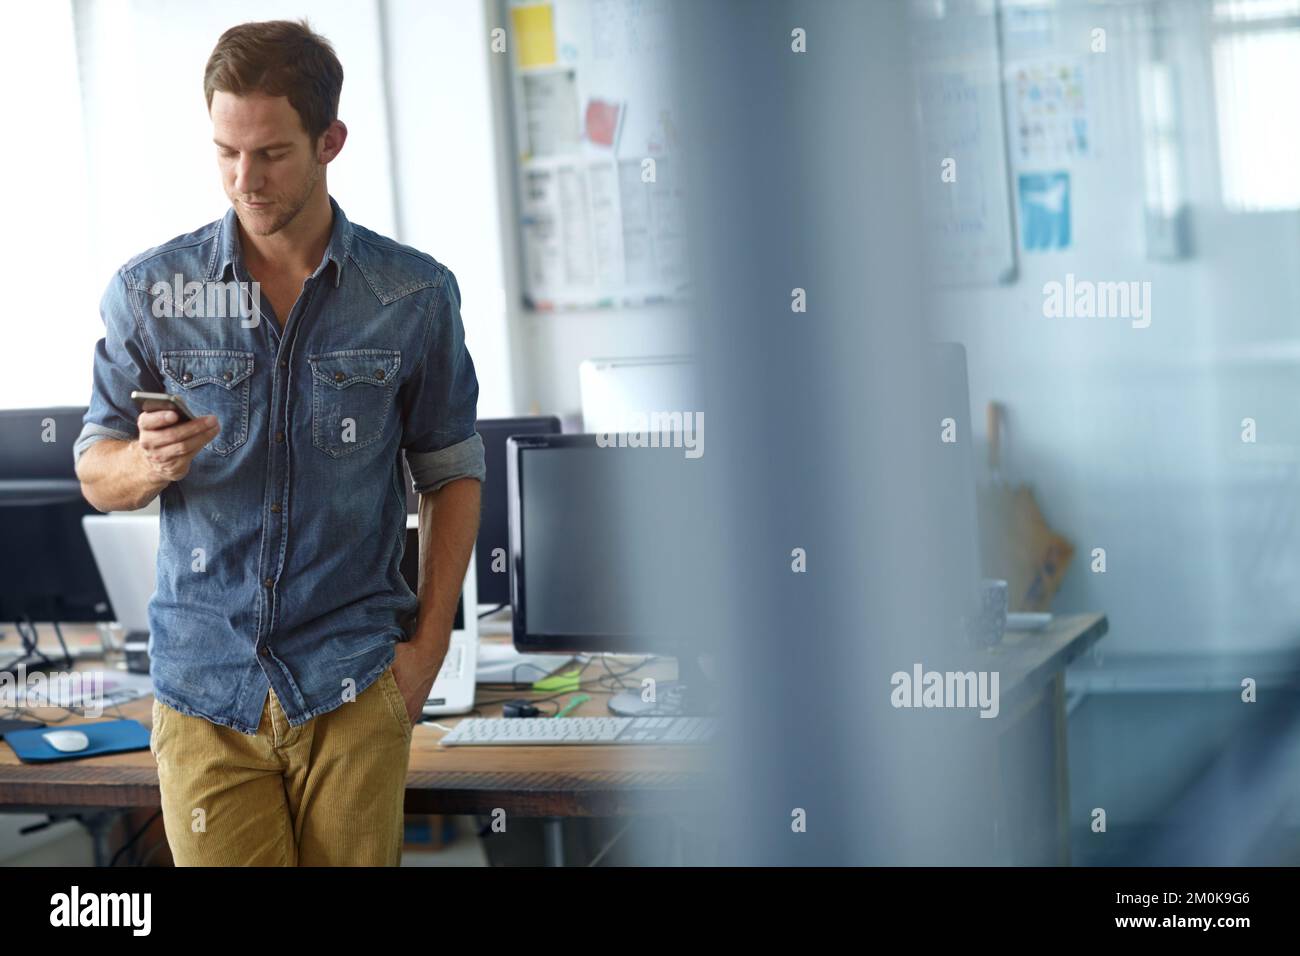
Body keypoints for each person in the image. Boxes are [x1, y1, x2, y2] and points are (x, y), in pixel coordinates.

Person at [73, 18, 484, 866]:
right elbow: (94, 468)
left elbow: (452, 471)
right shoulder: (153, 292)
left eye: (270, 154)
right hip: (204, 695)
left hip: (352, 684)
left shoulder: (411, 294)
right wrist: (146, 464)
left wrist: (427, 653)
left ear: (330, 140)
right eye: (226, 151)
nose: (244, 179)